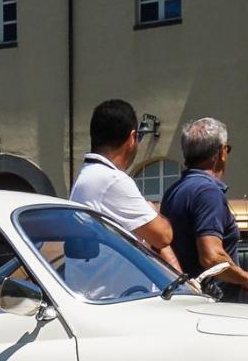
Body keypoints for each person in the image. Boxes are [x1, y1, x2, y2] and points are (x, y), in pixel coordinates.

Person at [159, 117, 248, 297]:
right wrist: (246, 278)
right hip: (211, 304)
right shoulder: (208, 192)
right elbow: (211, 257)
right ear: (222, 152)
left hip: (184, 298)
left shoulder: (174, 191)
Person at [69, 98, 173, 253]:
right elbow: (163, 237)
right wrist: (153, 210)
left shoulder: (89, 174)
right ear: (132, 138)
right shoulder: (112, 180)